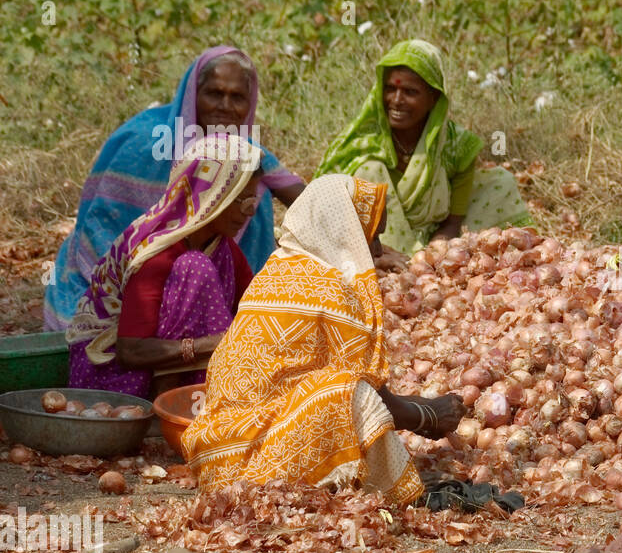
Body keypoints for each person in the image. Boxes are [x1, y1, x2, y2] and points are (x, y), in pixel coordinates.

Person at [183, 174, 469, 508]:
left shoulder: (275, 271)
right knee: (351, 393)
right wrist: (429, 415)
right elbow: (364, 395)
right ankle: (387, 493)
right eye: (371, 237)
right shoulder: (332, 287)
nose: (376, 251)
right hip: (250, 467)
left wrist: (422, 410)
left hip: (216, 456)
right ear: (344, 232)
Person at [45, 46, 305, 331]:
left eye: (237, 97)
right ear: (194, 93)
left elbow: (304, 198)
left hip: (209, 278)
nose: (225, 106)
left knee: (253, 182)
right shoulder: (143, 141)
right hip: (138, 279)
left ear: (250, 103)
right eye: (214, 93)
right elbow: (103, 224)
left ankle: (224, 309)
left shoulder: (246, 151)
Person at [65, 135, 262, 399]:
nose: (250, 213)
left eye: (254, 203)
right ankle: (169, 407)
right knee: (195, 268)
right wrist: (215, 344)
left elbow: (255, 308)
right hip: (110, 372)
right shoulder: (156, 253)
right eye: (245, 202)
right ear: (215, 196)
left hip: (163, 362)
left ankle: (188, 401)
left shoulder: (222, 248)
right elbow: (130, 351)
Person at [314, 39, 529, 269]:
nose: (396, 100)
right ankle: (395, 264)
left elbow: (452, 224)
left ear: (433, 98)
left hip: (438, 237)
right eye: (390, 89)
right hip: (376, 246)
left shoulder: (457, 146)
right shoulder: (362, 144)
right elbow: (327, 205)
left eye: (410, 92)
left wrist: (431, 257)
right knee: (369, 170)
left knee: (500, 181)